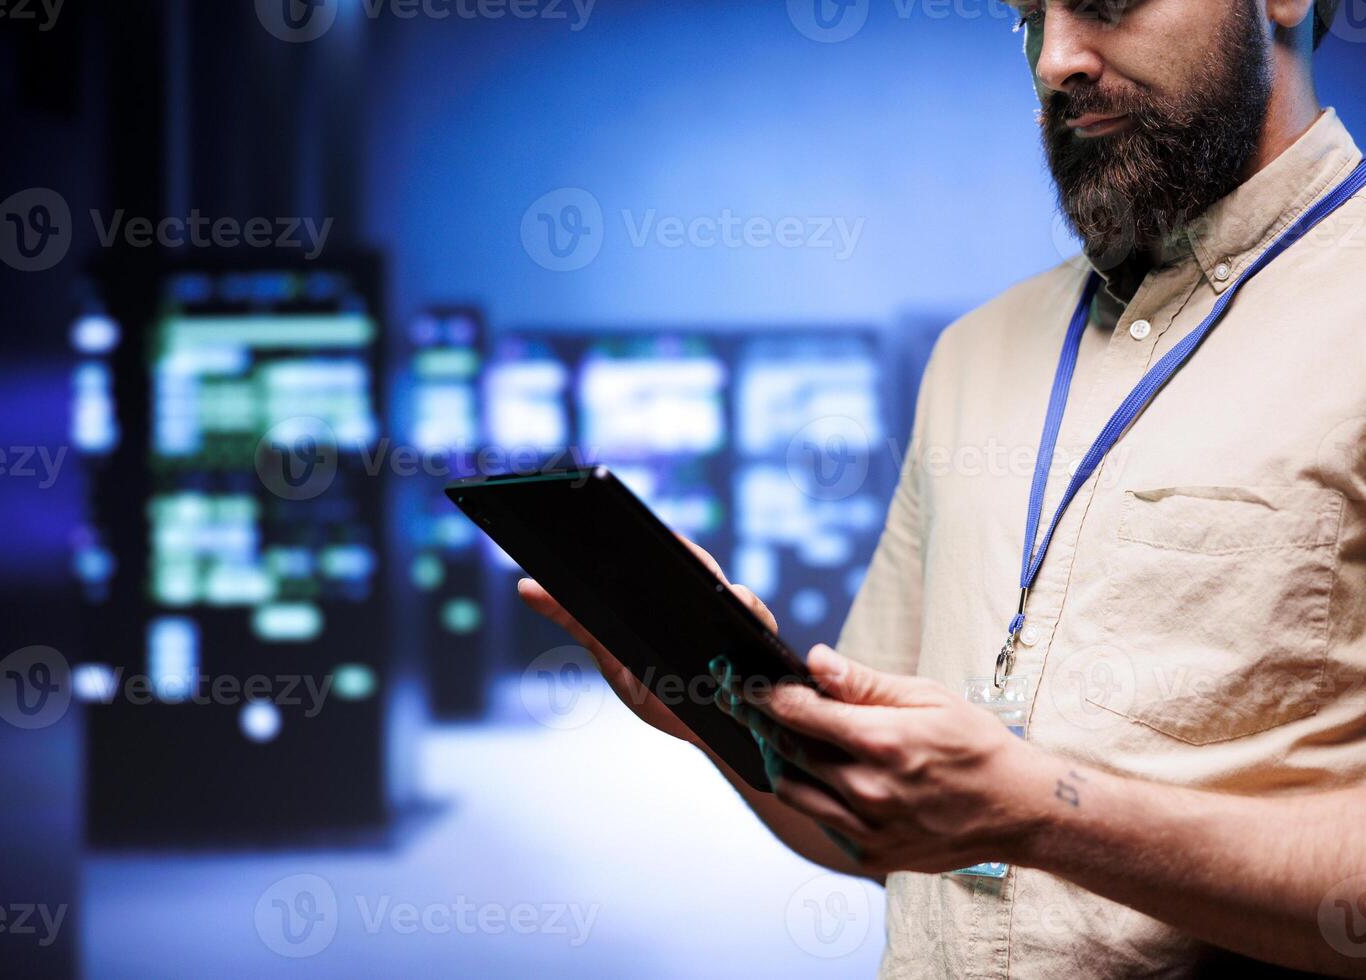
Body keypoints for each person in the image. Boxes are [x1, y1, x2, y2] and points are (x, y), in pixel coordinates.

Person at [523, 0, 1366, 975]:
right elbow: (871, 834)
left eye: (1103, 4)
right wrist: (719, 712)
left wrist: (1042, 811)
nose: (1054, 59)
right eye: (1024, 18)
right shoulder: (973, 354)